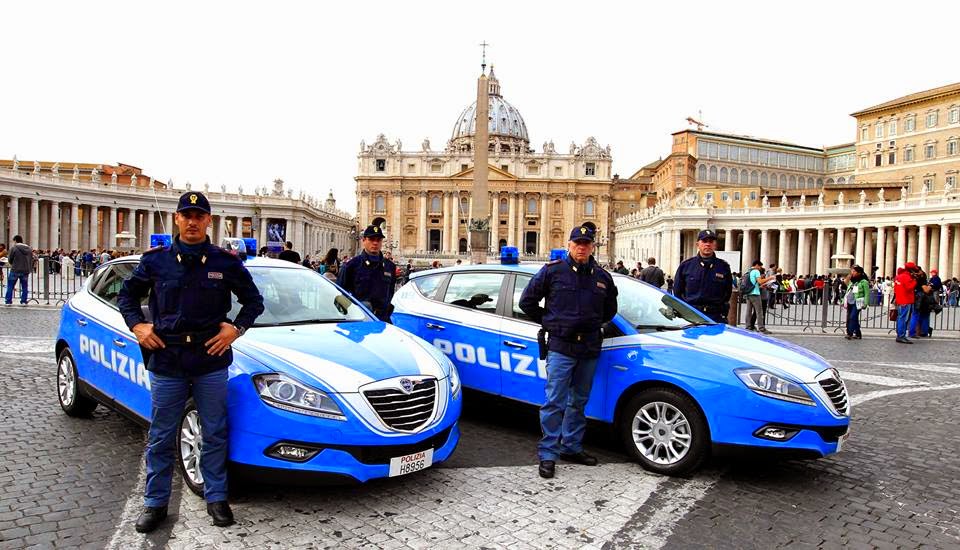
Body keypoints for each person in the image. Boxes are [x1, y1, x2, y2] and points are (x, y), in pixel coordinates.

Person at [116, 192, 265, 533]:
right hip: (167, 358)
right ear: (177, 219)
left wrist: (236, 329)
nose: (193, 222)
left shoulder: (225, 262)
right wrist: (138, 326)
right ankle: (155, 503)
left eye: (199, 216)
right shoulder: (155, 261)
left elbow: (253, 301)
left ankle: (216, 497)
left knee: (214, 431)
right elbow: (127, 295)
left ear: (208, 220)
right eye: (187, 215)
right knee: (161, 434)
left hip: (210, 357)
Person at [519, 225, 618, 479]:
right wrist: (550, 322)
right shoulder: (553, 271)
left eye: (586, 243)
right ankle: (548, 454)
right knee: (554, 401)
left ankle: (571, 447)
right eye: (577, 243)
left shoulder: (603, 277)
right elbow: (526, 302)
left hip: (589, 347)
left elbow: (610, 311)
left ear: (592, 246)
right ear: (569, 245)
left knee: (579, 401)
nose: (581, 248)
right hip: (562, 346)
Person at [336, 224, 397, 322]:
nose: (375, 243)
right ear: (363, 240)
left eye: (378, 240)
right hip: (359, 321)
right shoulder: (351, 266)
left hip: (382, 320)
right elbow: (340, 295)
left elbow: (390, 293)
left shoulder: (390, 266)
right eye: (371, 239)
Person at [673, 230, 733, 323]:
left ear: (715, 245)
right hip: (691, 315)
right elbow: (677, 292)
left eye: (711, 242)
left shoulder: (723, 267)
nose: (708, 244)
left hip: (715, 316)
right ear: (698, 244)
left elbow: (727, 293)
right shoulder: (686, 266)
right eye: (704, 241)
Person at [744, 260, 774, 334]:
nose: (760, 268)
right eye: (760, 266)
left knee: (748, 311)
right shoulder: (756, 271)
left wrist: (760, 286)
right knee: (759, 311)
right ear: (757, 265)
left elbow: (754, 282)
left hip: (748, 293)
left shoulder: (749, 271)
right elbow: (760, 281)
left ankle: (748, 326)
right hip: (755, 294)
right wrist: (770, 278)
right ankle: (761, 328)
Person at [4, 235, 32, 306]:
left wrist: (12, 263)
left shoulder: (14, 248)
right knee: (24, 286)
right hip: (25, 270)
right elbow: (30, 259)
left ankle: (8, 301)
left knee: (10, 286)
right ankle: (23, 301)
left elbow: (10, 259)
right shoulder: (29, 249)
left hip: (15, 269)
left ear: (15, 240)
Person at [894, 263, 918, 344]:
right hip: (906, 300)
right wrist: (914, 280)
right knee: (904, 319)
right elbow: (909, 287)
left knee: (900, 318)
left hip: (900, 299)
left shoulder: (898, 276)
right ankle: (901, 336)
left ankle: (899, 335)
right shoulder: (907, 277)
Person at [844, 265, 870, 340]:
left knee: (852, 317)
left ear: (859, 272)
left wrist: (865, 303)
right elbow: (846, 287)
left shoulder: (864, 282)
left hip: (858, 302)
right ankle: (858, 333)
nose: (852, 272)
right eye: (852, 271)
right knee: (853, 318)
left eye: (854, 271)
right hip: (849, 301)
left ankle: (850, 333)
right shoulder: (852, 281)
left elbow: (867, 293)